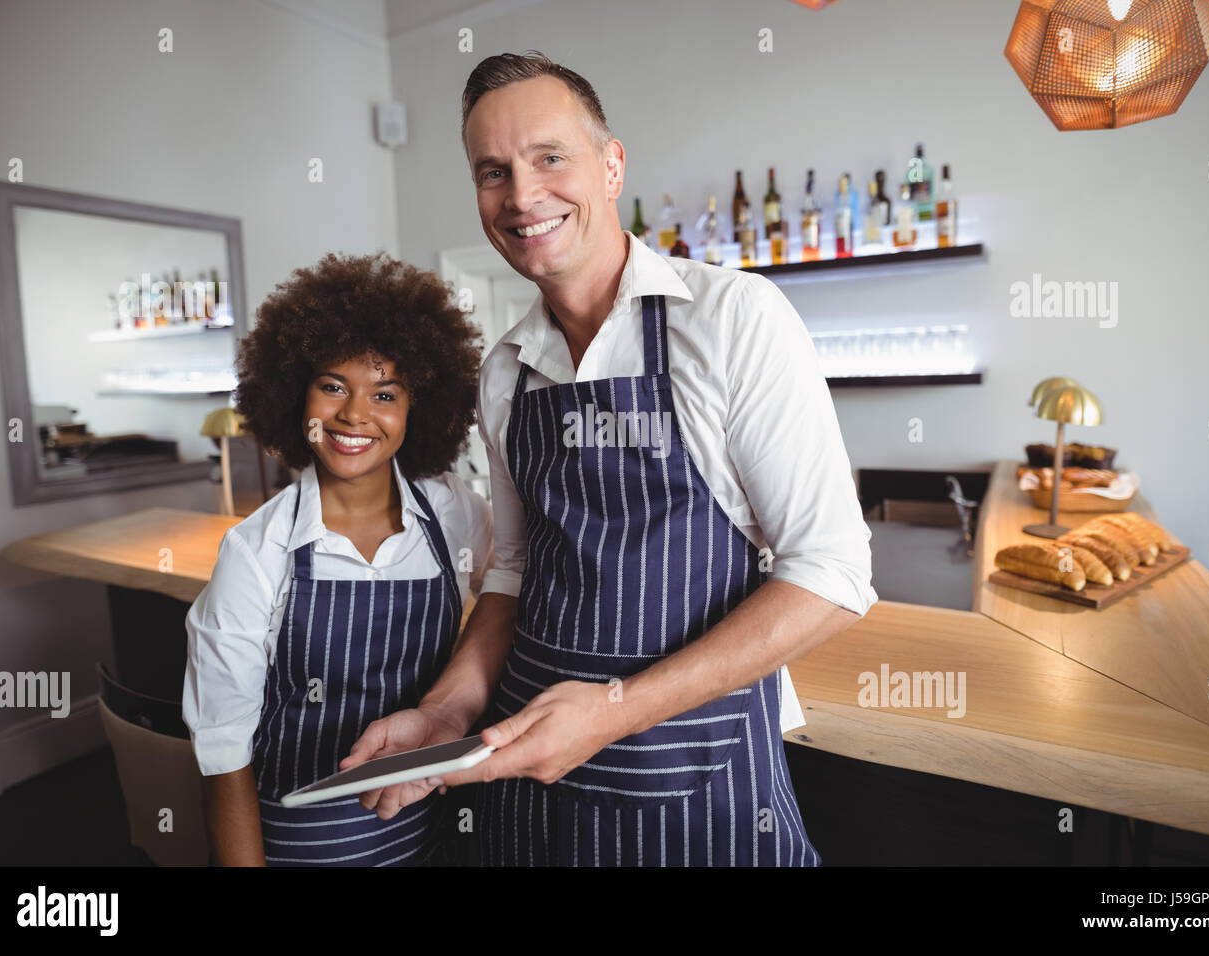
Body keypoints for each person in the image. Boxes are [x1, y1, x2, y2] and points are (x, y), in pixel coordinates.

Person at [343, 52, 877, 866]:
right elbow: (513, 572)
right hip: (528, 778)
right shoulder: (505, 373)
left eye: (549, 157)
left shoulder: (735, 320)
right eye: (493, 172)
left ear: (612, 165)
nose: (521, 196)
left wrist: (615, 711)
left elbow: (831, 576)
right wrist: (449, 713)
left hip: (696, 782)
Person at [182, 252, 492, 865]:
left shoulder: (454, 512)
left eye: (385, 392)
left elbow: (514, 595)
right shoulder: (256, 552)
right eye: (332, 386)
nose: (354, 414)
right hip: (306, 849)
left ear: (416, 409)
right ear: (295, 396)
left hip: (433, 832)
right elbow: (223, 757)